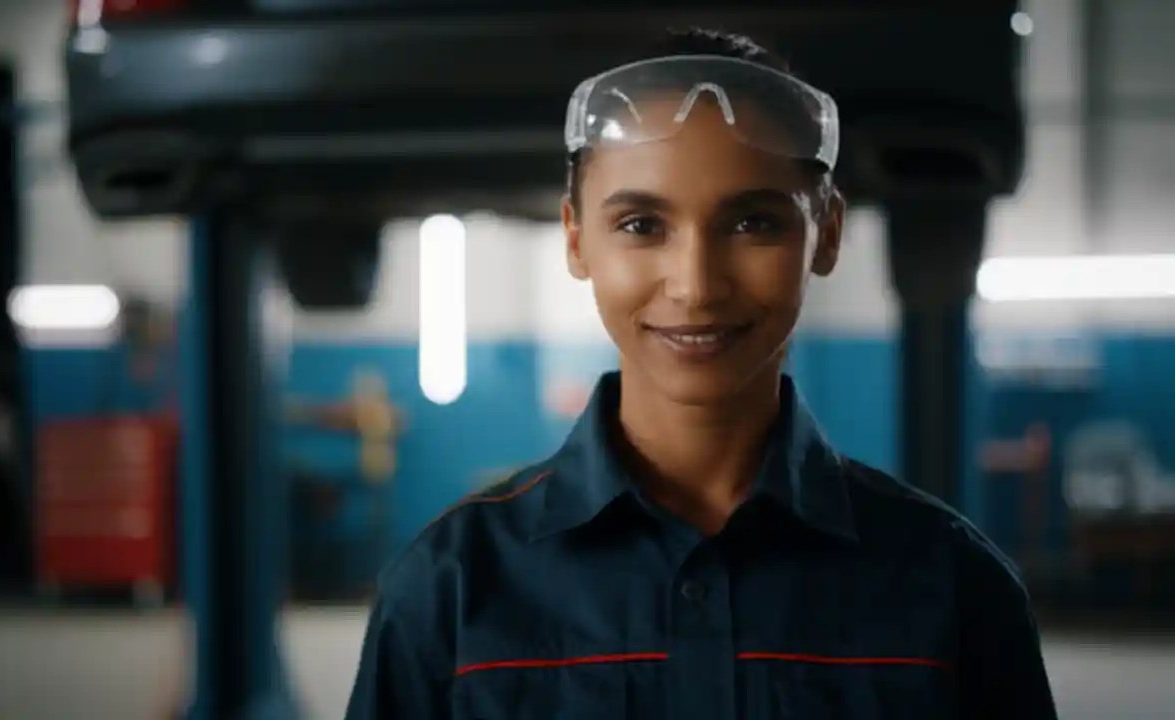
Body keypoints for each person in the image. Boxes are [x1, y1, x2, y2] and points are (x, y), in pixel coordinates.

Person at [345, 28, 1058, 719]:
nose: (695, 285)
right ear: (576, 238)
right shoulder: (451, 590)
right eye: (641, 226)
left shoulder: (955, 586)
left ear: (827, 234)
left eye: (753, 224)